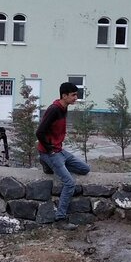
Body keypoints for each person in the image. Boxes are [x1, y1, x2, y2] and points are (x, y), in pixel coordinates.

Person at [36, 82, 91, 225]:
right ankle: (60, 218)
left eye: (76, 95)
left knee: (85, 169)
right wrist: (49, 150)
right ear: (64, 95)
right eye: (73, 95)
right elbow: (39, 132)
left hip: (60, 151)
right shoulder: (54, 110)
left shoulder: (64, 108)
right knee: (69, 183)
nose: (76, 98)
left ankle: (51, 166)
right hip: (50, 153)